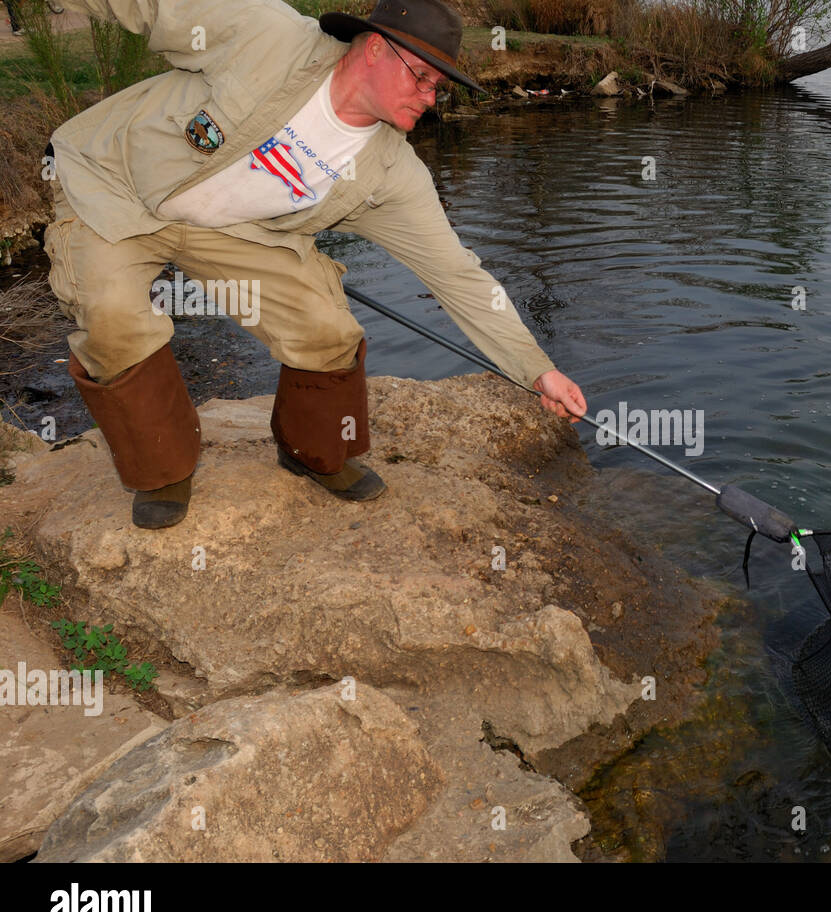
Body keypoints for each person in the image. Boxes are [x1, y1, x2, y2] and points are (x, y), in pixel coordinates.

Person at [44, 0, 587, 529]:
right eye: (421, 78)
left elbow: (458, 275)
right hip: (113, 188)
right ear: (375, 49)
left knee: (327, 332)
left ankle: (313, 452)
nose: (429, 98)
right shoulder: (267, 34)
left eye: (436, 87)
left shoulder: (391, 176)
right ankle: (161, 469)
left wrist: (538, 370)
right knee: (113, 320)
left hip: (231, 232)